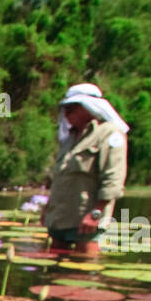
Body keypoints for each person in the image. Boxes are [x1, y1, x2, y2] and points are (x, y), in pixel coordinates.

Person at [42, 83, 128, 254]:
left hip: (86, 219)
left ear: (88, 108)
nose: (66, 113)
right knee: (53, 272)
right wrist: (47, 209)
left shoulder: (109, 134)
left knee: (84, 272)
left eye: (71, 108)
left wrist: (95, 214)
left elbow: (113, 180)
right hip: (59, 217)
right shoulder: (69, 139)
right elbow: (60, 178)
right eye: (64, 108)